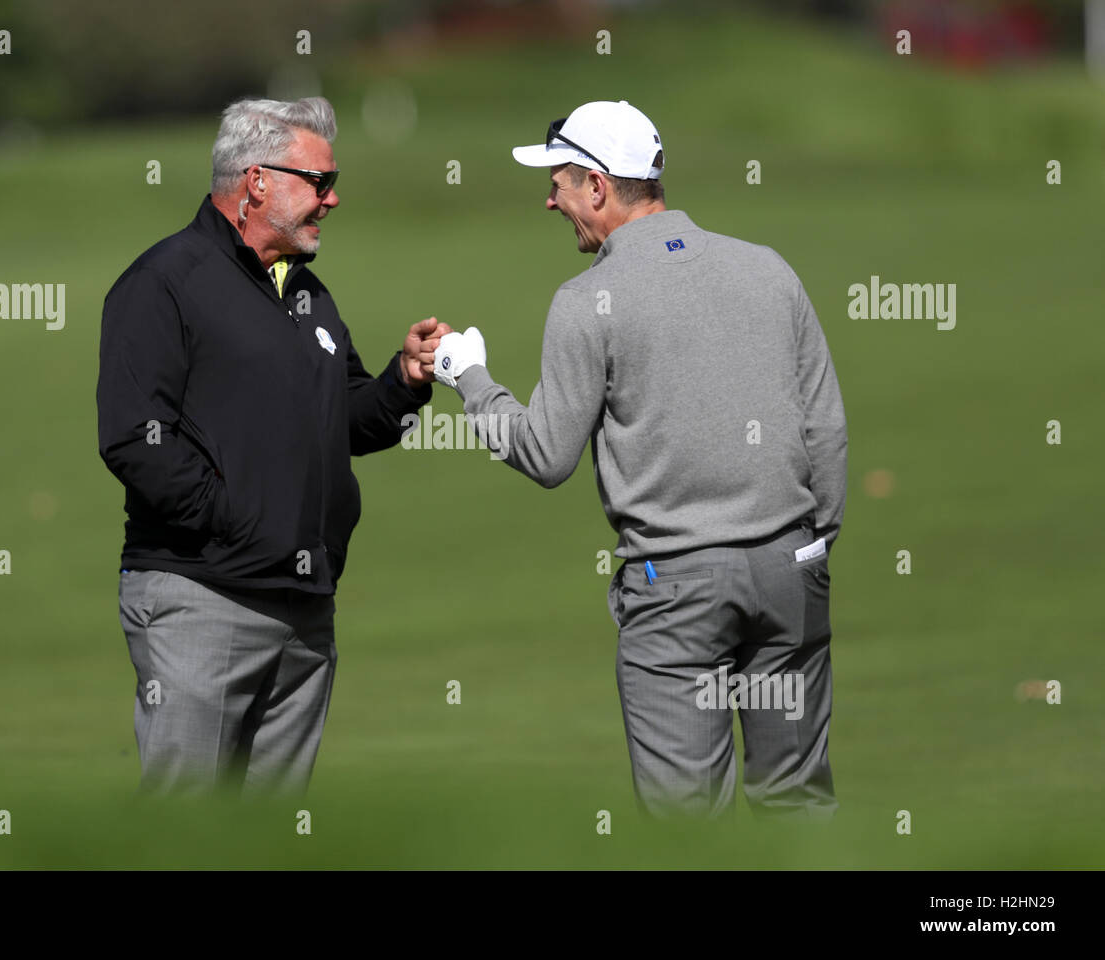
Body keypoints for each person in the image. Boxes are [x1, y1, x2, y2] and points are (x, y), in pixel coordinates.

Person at [434, 100, 847, 819]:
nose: (550, 199)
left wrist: (469, 376)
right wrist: (813, 550)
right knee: (799, 809)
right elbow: (826, 430)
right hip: (792, 574)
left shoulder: (586, 299)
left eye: (559, 182)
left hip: (676, 593)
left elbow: (544, 452)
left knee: (687, 829)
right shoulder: (768, 269)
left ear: (597, 186)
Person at [97, 96, 448, 797]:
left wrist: (404, 381)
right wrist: (238, 522)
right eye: (321, 181)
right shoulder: (165, 281)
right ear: (257, 181)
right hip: (203, 596)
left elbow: (347, 418)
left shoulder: (306, 294)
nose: (334, 198)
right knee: (185, 835)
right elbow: (136, 438)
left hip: (304, 610)